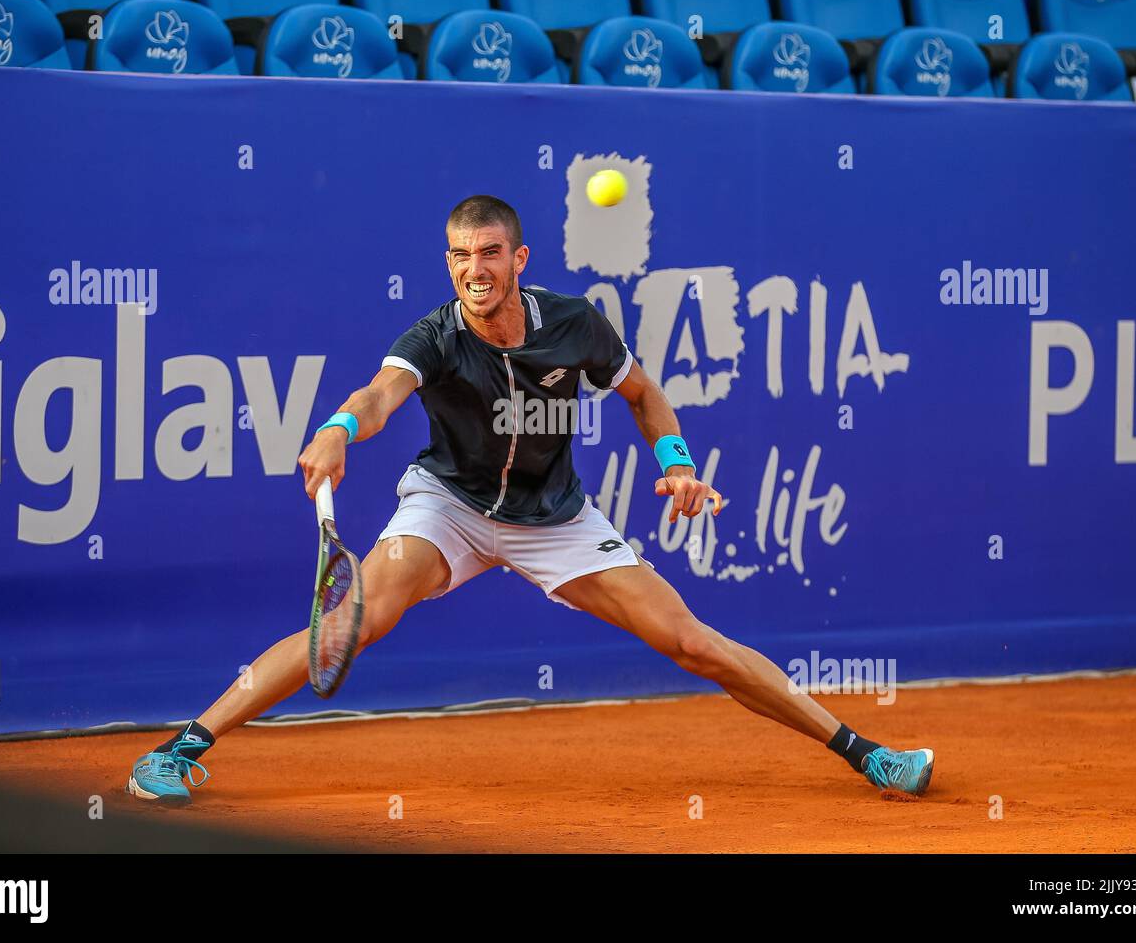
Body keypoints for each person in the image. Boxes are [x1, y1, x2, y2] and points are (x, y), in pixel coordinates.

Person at [126, 195, 934, 805]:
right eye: (457, 256)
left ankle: (867, 754)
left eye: (487, 253)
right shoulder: (436, 337)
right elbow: (380, 394)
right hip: (448, 505)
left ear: (519, 258)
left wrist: (678, 463)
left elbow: (646, 396)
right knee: (357, 620)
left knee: (692, 643)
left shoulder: (576, 324)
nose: (472, 270)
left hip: (557, 518)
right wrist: (340, 426)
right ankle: (180, 748)